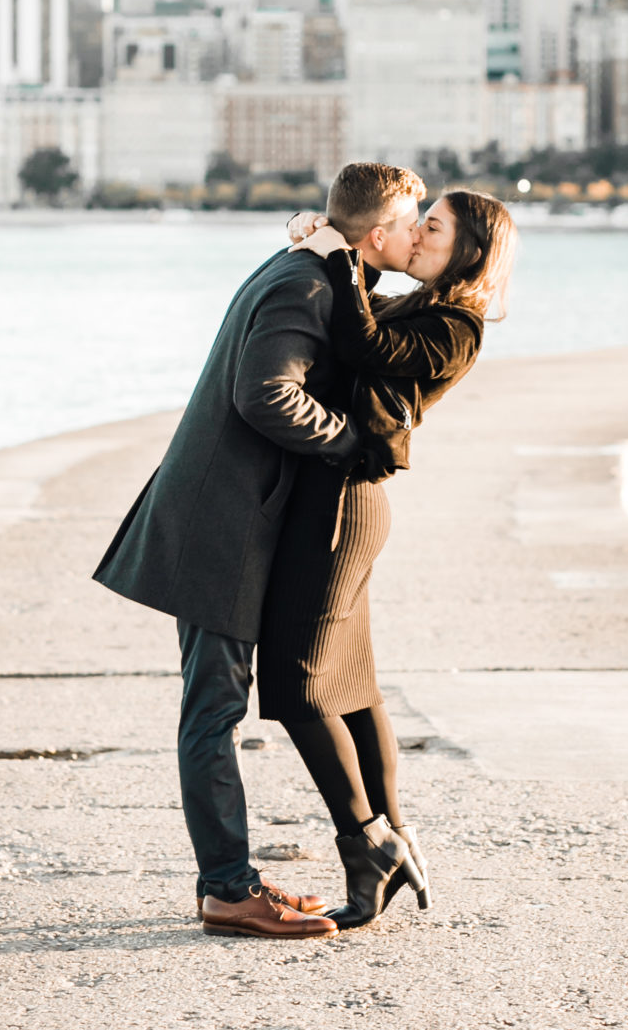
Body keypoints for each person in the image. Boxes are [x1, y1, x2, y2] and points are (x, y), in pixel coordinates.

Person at [92, 161, 426, 940]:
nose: (416, 236)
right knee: (212, 707)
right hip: (222, 524)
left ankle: (231, 880)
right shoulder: (303, 286)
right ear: (379, 233)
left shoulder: (316, 271)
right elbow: (265, 392)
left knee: (216, 702)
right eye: (412, 223)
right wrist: (351, 442)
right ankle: (227, 889)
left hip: (234, 515)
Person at [256, 188, 517, 930]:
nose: (416, 233)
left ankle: (367, 842)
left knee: (298, 686)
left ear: (467, 250)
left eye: (432, 226)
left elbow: (363, 344)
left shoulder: (458, 328)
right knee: (350, 684)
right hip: (342, 503)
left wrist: (339, 256)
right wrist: (326, 241)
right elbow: (356, 316)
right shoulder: (422, 305)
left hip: (342, 507)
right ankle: (392, 836)